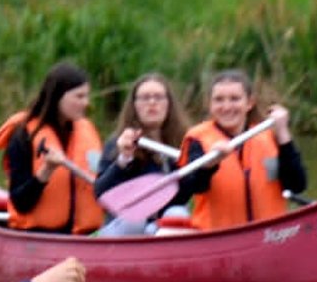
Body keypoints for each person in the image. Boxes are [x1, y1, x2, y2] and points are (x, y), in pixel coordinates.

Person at [174, 69, 306, 230]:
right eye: (219, 100)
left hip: (269, 237)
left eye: (235, 99)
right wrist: (209, 164)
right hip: (219, 238)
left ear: (249, 103)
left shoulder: (269, 136)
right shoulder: (198, 139)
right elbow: (185, 192)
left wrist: (284, 134)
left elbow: (297, 185)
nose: (227, 106)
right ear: (210, 104)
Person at [0, 60, 105, 234]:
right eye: (79, 96)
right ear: (57, 96)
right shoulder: (23, 136)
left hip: (83, 236)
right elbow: (20, 203)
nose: (86, 103)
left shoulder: (87, 130)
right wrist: (47, 170)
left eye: (87, 96)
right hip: (38, 235)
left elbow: (103, 183)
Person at [95, 72, 181, 236]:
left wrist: (208, 166)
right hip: (124, 227)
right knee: (136, 219)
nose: (152, 102)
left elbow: (190, 190)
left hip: (157, 229)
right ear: (134, 105)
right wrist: (123, 159)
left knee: (178, 214)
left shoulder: (180, 142)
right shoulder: (118, 142)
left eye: (158, 97)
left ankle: (170, 259)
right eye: (144, 97)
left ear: (168, 104)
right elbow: (100, 192)